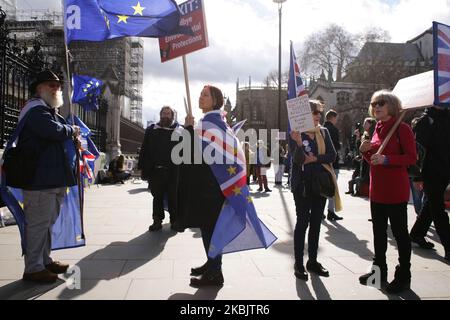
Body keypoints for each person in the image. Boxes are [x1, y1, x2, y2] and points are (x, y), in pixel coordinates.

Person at [18, 70, 80, 283]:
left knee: (46, 223)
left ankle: (44, 260)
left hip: (52, 178)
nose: (56, 88)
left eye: (57, 85)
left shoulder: (49, 110)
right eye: (50, 85)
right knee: (37, 225)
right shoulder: (35, 109)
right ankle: (33, 268)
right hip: (39, 179)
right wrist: (71, 130)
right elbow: (52, 131)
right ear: (39, 88)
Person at [359, 90, 416, 294]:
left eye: (381, 103)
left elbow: (411, 158)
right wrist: (366, 152)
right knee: (378, 233)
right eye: (374, 103)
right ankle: (378, 272)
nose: (376, 107)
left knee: (400, 234)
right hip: (377, 191)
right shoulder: (377, 129)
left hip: (395, 191)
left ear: (391, 105)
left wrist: (388, 159)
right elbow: (374, 161)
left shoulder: (402, 128)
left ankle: (404, 275)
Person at [178, 85, 226, 287]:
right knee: (207, 228)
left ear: (215, 100)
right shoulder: (209, 121)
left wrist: (189, 129)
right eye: (200, 94)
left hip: (211, 186)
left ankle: (215, 273)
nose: (200, 97)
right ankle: (212, 264)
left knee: (210, 229)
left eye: (205, 95)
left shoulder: (213, 123)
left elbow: (199, 154)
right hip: (207, 184)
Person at [290, 100, 338, 281]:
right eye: (313, 113)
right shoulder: (296, 133)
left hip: (320, 184)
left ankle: (313, 261)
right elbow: (297, 160)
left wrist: (315, 159)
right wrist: (299, 145)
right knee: (302, 222)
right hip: (301, 185)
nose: (317, 115)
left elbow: (332, 156)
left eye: (318, 112)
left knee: (317, 222)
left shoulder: (324, 132)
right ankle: (298, 263)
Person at [409, 106, 450, 260]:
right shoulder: (425, 121)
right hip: (430, 171)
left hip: (445, 168)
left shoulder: (446, 117)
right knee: (438, 208)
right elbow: (417, 151)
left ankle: (416, 234)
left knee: (431, 204)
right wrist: (417, 176)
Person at [138, 106, 181, 232]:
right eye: (164, 113)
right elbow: (145, 147)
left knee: (174, 196)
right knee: (157, 196)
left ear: (172, 116)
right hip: (156, 170)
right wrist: (143, 167)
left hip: (173, 170)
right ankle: (157, 220)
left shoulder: (178, 130)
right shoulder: (152, 129)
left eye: (168, 114)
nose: (166, 116)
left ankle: (174, 221)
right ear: (160, 115)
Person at [323, 109, 343, 221]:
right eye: (336, 118)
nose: (337, 120)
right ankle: (331, 211)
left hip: (322, 162)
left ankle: (320, 212)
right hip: (332, 162)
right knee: (332, 188)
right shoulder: (333, 130)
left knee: (321, 187)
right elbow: (335, 146)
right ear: (332, 118)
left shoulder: (320, 129)